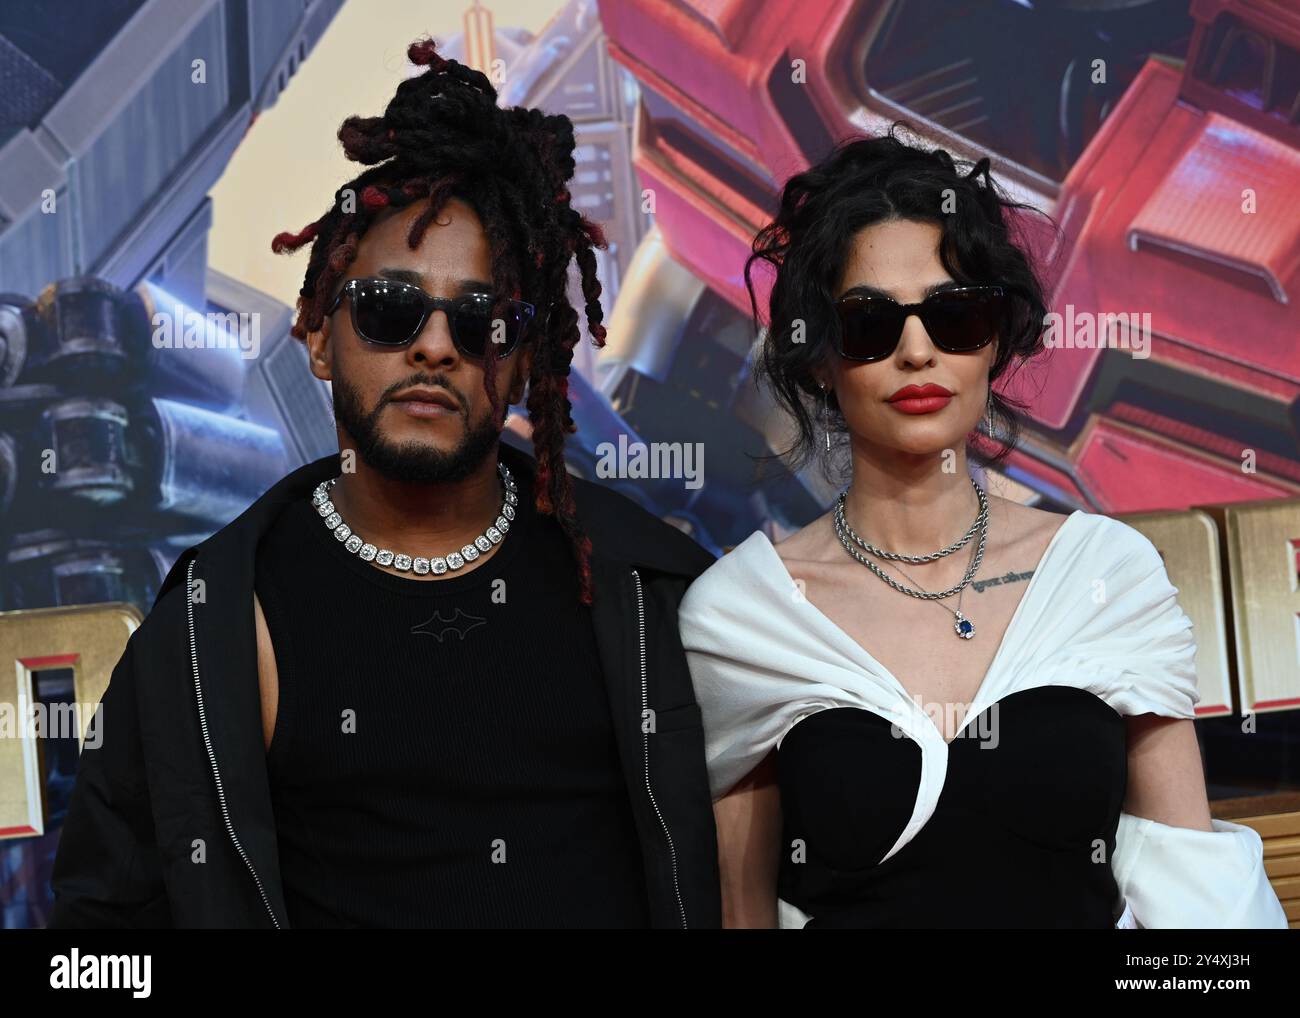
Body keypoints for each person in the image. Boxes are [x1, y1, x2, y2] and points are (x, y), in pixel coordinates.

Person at [49, 38, 721, 929]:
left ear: (521, 365)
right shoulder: (218, 615)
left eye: (479, 322)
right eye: (390, 309)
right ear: (320, 334)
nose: (435, 346)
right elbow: (101, 922)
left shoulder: (651, 590)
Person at [678, 124, 1287, 929]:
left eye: (954, 316)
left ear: (994, 340)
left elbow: (1199, 906)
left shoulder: (1104, 575)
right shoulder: (744, 617)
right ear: (822, 359)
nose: (918, 350)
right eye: (870, 324)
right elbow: (741, 915)